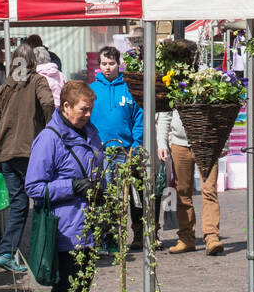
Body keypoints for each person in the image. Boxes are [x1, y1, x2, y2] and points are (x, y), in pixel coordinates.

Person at [24, 81, 104, 292]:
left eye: (91, 109)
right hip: (65, 231)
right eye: (84, 109)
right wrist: (72, 186)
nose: (88, 115)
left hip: (88, 228)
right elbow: (34, 187)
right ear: (66, 107)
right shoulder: (49, 139)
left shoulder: (90, 132)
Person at [0, 45, 54, 273]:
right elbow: (47, 103)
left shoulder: (6, 86)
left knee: (18, 203)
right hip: (29, 153)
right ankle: (42, 253)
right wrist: (48, 129)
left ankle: (6, 253)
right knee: (43, 200)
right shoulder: (38, 81)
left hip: (6, 153)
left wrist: (7, 130)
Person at [156, 42, 223, 257]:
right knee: (182, 192)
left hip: (205, 142)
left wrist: (222, 142)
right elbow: (165, 112)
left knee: (209, 191)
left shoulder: (208, 76)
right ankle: (186, 237)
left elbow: (220, 112)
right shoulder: (171, 77)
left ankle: (212, 237)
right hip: (179, 143)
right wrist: (162, 143)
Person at [90, 45, 145, 250]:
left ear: (118, 64)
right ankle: (107, 238)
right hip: (101, 152)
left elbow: (139, 118)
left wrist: (136, 146)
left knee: (126, 197)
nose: (107, 68)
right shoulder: (92, 90)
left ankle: (127, 236)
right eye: (104, 63)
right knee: (105, 196)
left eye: (111, 63)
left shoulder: (129, 89)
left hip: (126, 151)